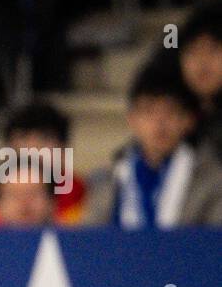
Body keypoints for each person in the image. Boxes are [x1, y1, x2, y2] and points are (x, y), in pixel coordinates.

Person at [86, 63, 222, 228]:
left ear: (189, 120)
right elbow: (92, 239)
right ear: (132, 119)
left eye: (170, 111)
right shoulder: (110, 179)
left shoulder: (212, 180)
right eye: (149, 111)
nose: (159, 123)